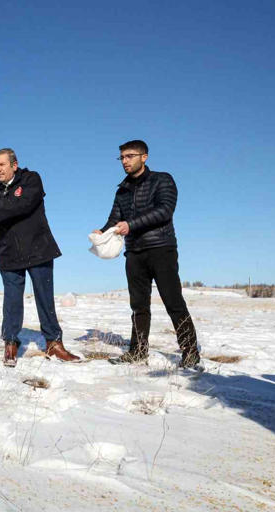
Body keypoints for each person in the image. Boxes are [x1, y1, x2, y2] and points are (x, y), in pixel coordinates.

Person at [93, 140, 201, 368]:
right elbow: (115, 218)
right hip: (134, 253)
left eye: (130, 156)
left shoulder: (162, 179)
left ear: (144, 157)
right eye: (121, 157)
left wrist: (130, 225)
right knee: (138, 306)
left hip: (161, 249)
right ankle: (138, 352)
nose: (125, 161)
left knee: (174, 303)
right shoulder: (121, 189)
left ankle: (190, 354)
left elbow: (164, 211)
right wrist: (102, 231)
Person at [0, 148, 80, 366]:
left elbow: (25, 204)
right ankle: (10, 343)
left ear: (14, 165)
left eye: (2, 165)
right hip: (9, 253)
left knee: (44, 299)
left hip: (39, 249)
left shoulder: (31, 180)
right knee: (11, 301)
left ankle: (54, 344)